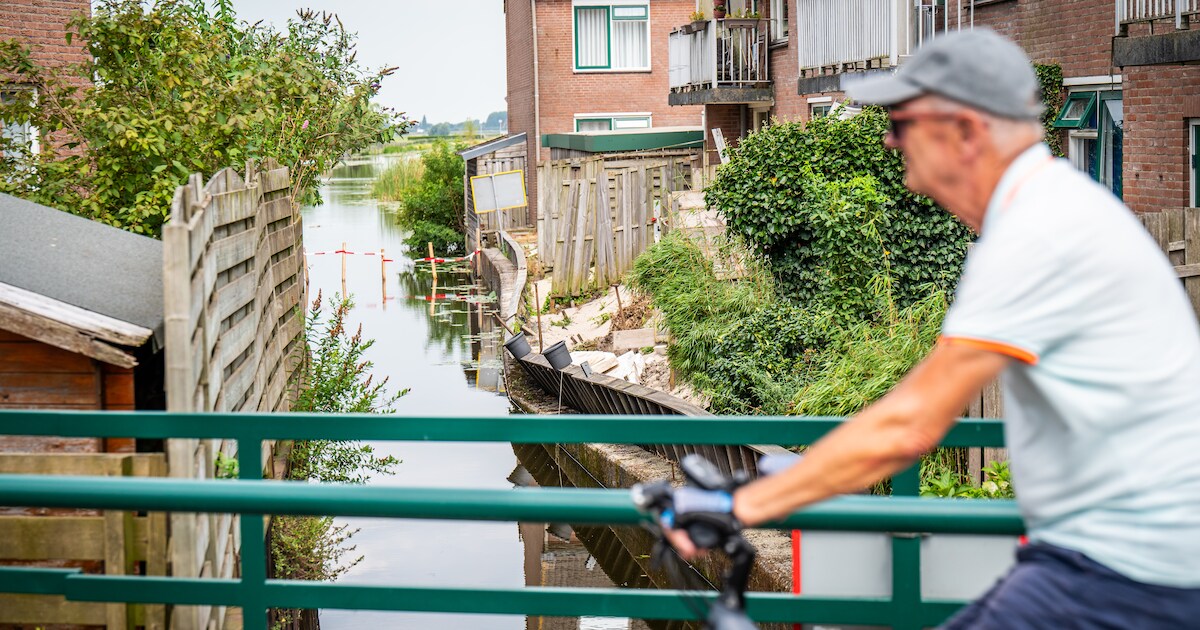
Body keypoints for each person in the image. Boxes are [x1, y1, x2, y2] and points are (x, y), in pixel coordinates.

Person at [658, 29, 1200, 628]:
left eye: (902, 121)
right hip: (1113, 559)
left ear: (965, 129)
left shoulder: (1038, 232)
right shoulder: (1050, 209)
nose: (890, 140)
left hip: (1128, 574)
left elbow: (910, 424)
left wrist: (740, 506)